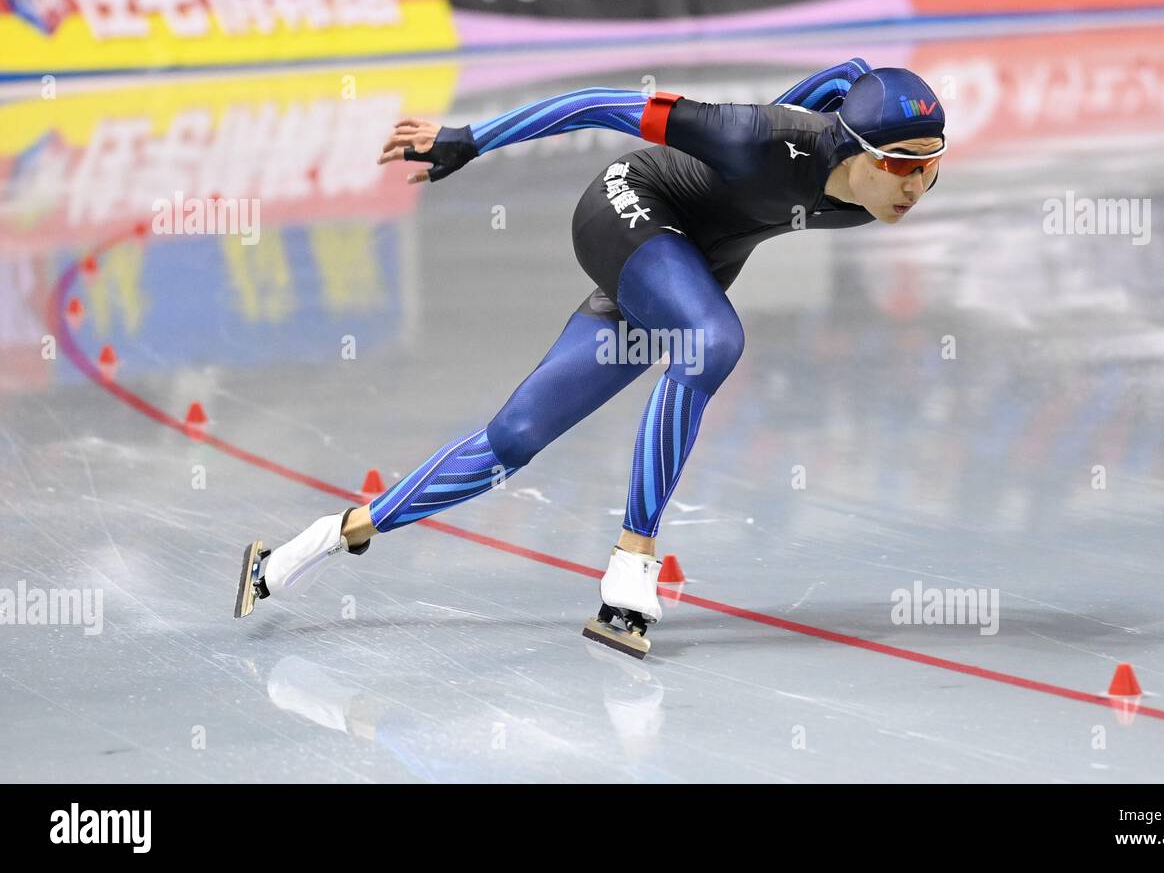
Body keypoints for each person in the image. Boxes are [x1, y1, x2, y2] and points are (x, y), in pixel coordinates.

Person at [234, 59, 947, 659]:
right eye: (898, 166)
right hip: (629, 209)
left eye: (931, 168)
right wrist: (469, 138)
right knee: (714, 339)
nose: (914, 188)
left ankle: (317, 543)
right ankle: (634, 558)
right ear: (853, 147)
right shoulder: (753, 134)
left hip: (683, 266)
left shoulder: (874, 184)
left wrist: (859, 87)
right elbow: (599, 104)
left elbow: (851, 76)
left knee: (510, 443)